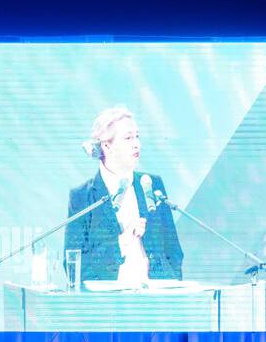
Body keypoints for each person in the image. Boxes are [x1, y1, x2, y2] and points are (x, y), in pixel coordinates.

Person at [62, 106, 184, 286]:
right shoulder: (83, 197)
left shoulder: (151, 184)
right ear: (107, 146)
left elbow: (173, 251)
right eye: (128, 138)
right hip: (109, 307)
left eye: (137, 136)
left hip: (156, 302)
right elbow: (74, 267)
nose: (137, 144)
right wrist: (121, 241)